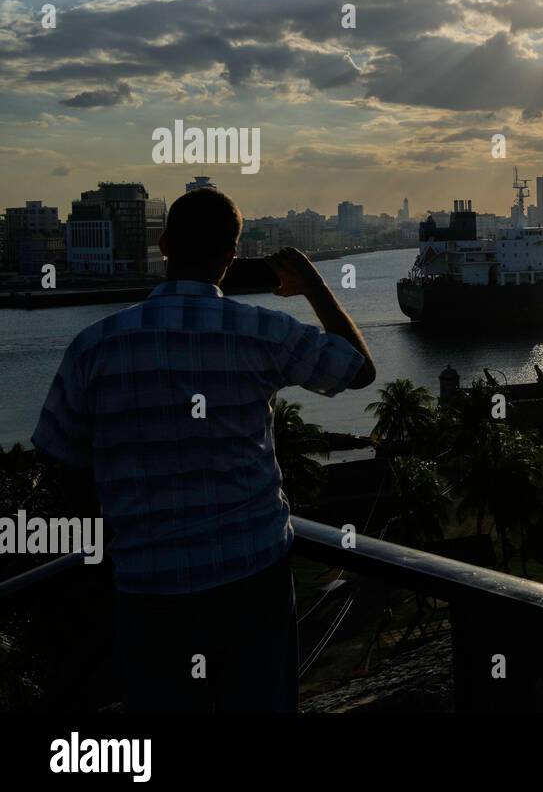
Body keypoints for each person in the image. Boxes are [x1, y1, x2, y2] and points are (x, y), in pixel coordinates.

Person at [32, 187, 376, 712]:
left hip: (148, 586)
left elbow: (65, 460)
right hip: (251, 576)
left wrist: (102, 547)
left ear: (165, 244)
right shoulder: (261, 331)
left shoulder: (95, 346)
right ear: (232, 256)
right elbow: (358, 369)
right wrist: (314, 287)